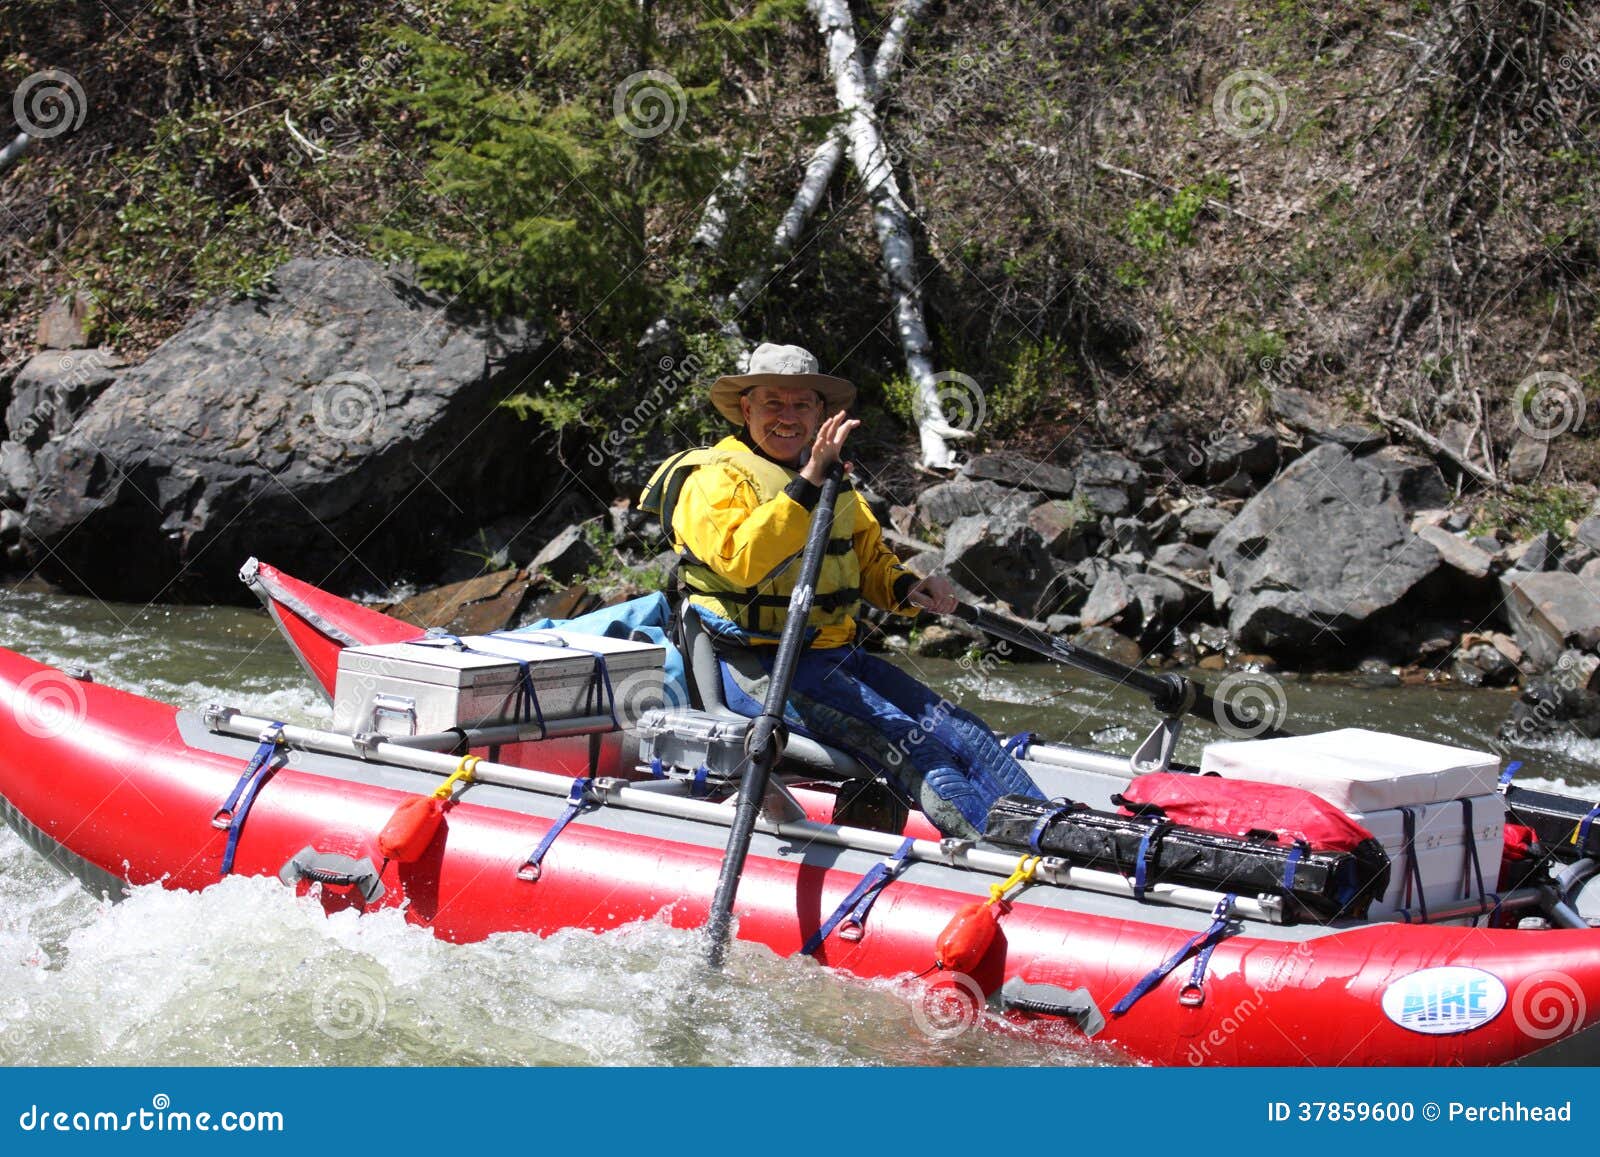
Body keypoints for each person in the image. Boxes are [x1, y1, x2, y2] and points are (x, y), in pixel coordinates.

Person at [640, 342, 1044, 837]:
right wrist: (809, 481)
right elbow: (744, 561)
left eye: (801, 404)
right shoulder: (713, 478)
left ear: (820, 413)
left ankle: (1050, 834)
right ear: (746, 409)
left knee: (968, 734)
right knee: (914, 746)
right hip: (760, 669)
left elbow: (870, 560)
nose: (787, 417)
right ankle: (992, 852)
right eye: (773, 403)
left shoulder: (834, 482)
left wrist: (908, 587)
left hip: (834, 659)